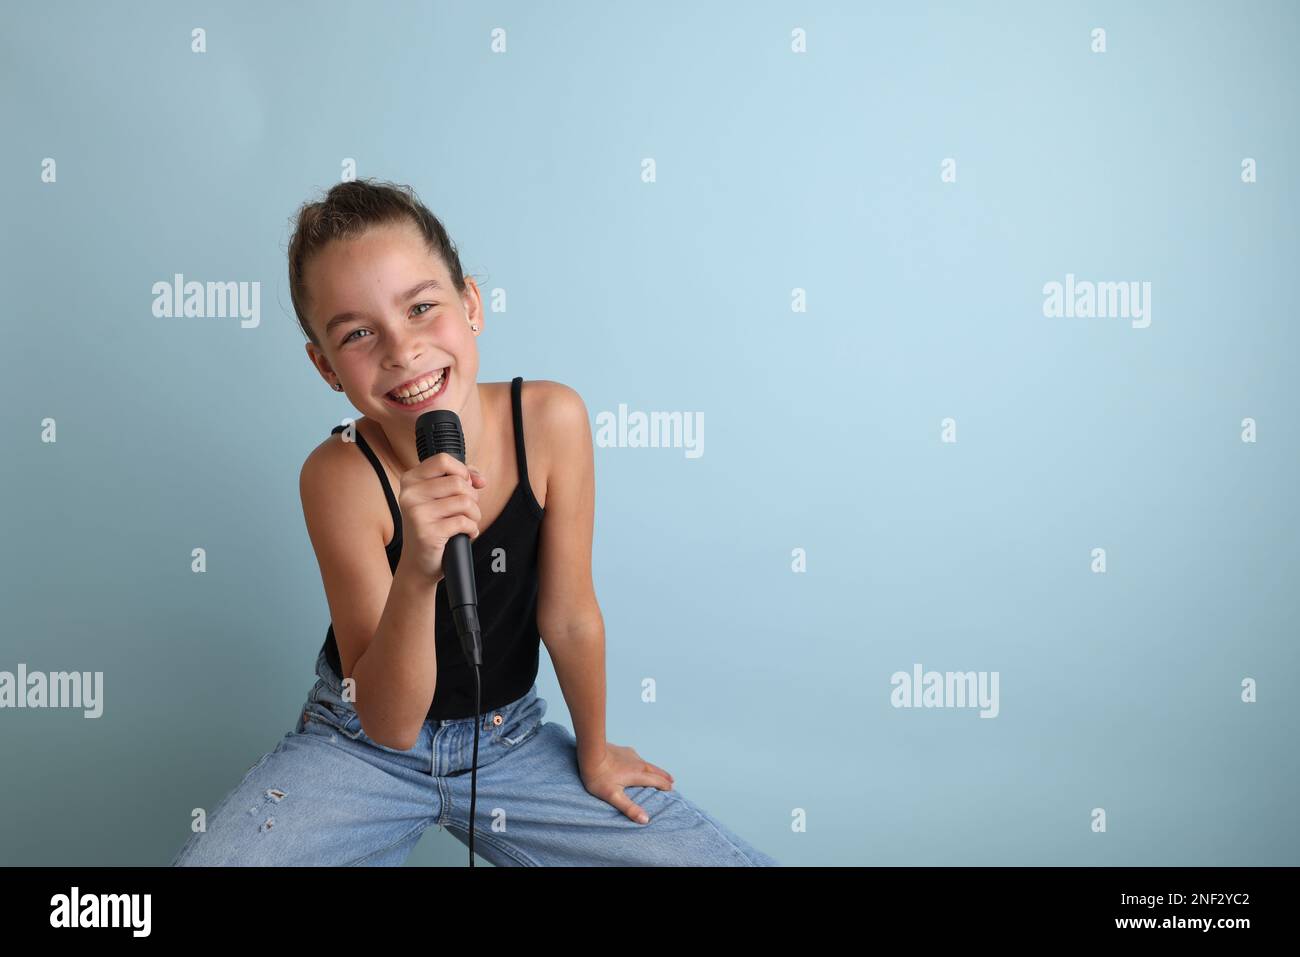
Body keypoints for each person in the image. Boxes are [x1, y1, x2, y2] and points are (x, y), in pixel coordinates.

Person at [171, 178, 779, 866]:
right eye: (360, 333)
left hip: (509, 739)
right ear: (326, 367)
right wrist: (419, 567)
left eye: (423, 307)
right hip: (361, 748)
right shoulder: (337, 475)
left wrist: (598, 748)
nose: (402, 350)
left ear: (470, 303)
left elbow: (571, 615)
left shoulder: (551, 420)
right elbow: (390, 722)